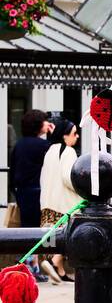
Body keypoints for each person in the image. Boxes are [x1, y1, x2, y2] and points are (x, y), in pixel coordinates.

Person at [9, 110, 54, 280]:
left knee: (27, 229)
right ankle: (28, 266)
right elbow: (54, 157)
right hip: (37, 192)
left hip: (22, 192)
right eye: (44, 121)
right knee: (36, 231)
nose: (46, 123)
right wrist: (53, 135)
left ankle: (30, 265)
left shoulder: (19, 145)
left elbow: (13, 171)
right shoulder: (43, 146)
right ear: (38, 124)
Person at [39, 117, 80, 281]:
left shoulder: (50, 151)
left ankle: (58, 272)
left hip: (48, 203)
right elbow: (69, 177)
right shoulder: (68, 151)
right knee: (70, 233)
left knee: (53, 239)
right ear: (64, 136)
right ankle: (55, 262)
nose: (76, 137)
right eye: (74, 133)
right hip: (65, 203)